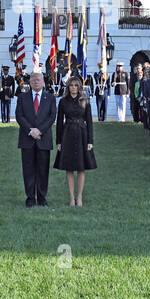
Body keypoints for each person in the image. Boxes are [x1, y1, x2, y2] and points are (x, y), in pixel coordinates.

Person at [54, 77, 96, 207]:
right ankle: (71, 197)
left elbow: (89, 122)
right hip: (67, 134)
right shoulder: (63, 102)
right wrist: (59, 141)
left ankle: (80, 197)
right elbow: (59, 122)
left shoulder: (85, 101)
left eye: (76, 85)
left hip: (82, 135)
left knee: (81, 167)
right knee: (69, 167)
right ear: (68, 87)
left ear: (79, 87)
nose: (73, 87)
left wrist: (90, 140)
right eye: (71, 85)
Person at [17, 71, 56, 207]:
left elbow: (52, 117)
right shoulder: (22, 97)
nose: (36, 82)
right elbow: (19, 116)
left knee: (43, 170)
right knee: (28, 170)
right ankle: (30, 197)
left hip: (43, 138)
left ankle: (41, 197)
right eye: (33, 80)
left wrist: (39, 130)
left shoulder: (50, 98)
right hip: (27, 139)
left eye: (38, 79)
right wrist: (30, 130)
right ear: (30, 82)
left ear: (43, 82)